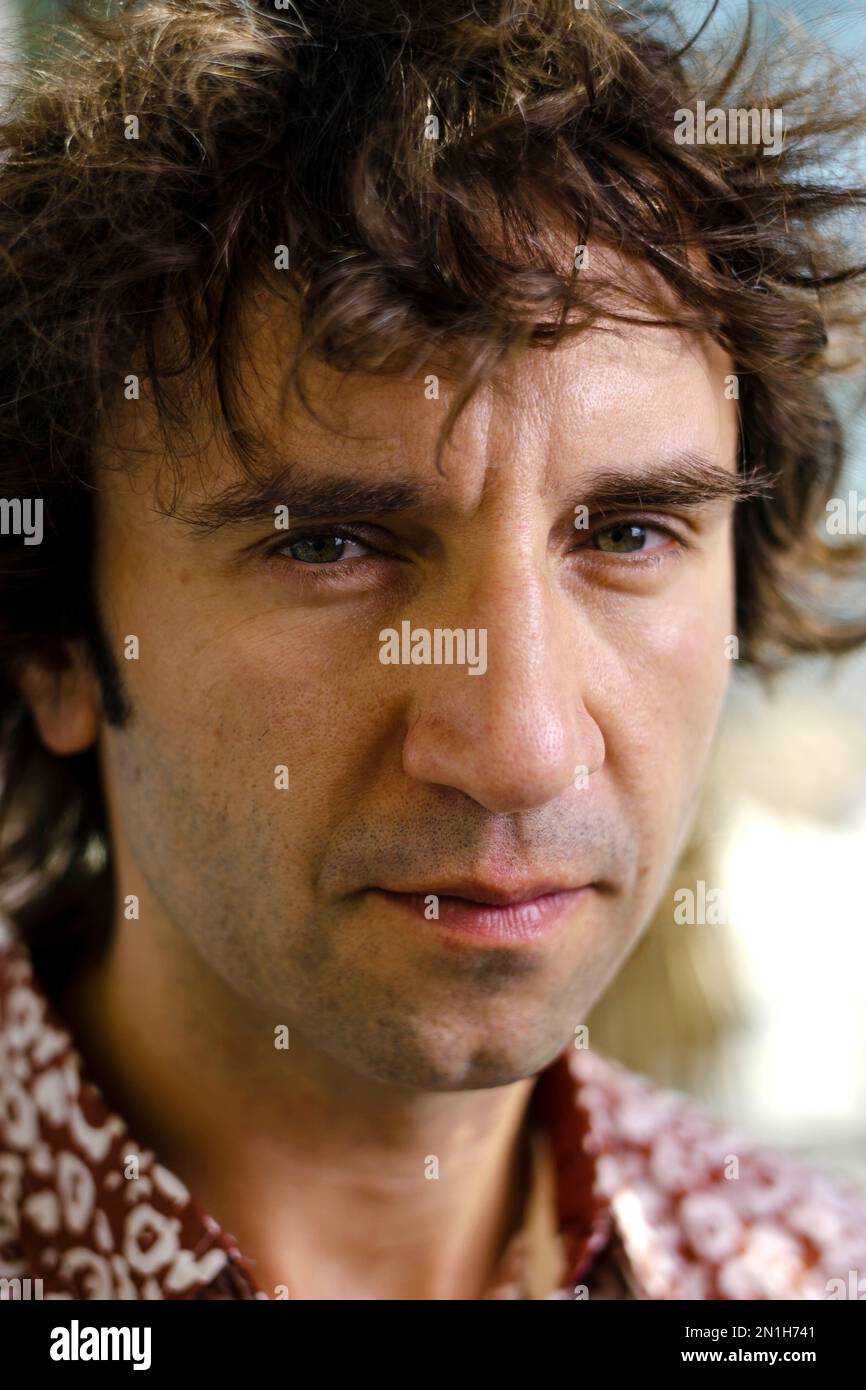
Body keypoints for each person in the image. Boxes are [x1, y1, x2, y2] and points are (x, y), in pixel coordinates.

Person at [1, 0, 865, 1301]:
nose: (521, 749)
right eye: (330, 546)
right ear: (55, 643)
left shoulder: (798, 1278)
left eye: (627, 531)